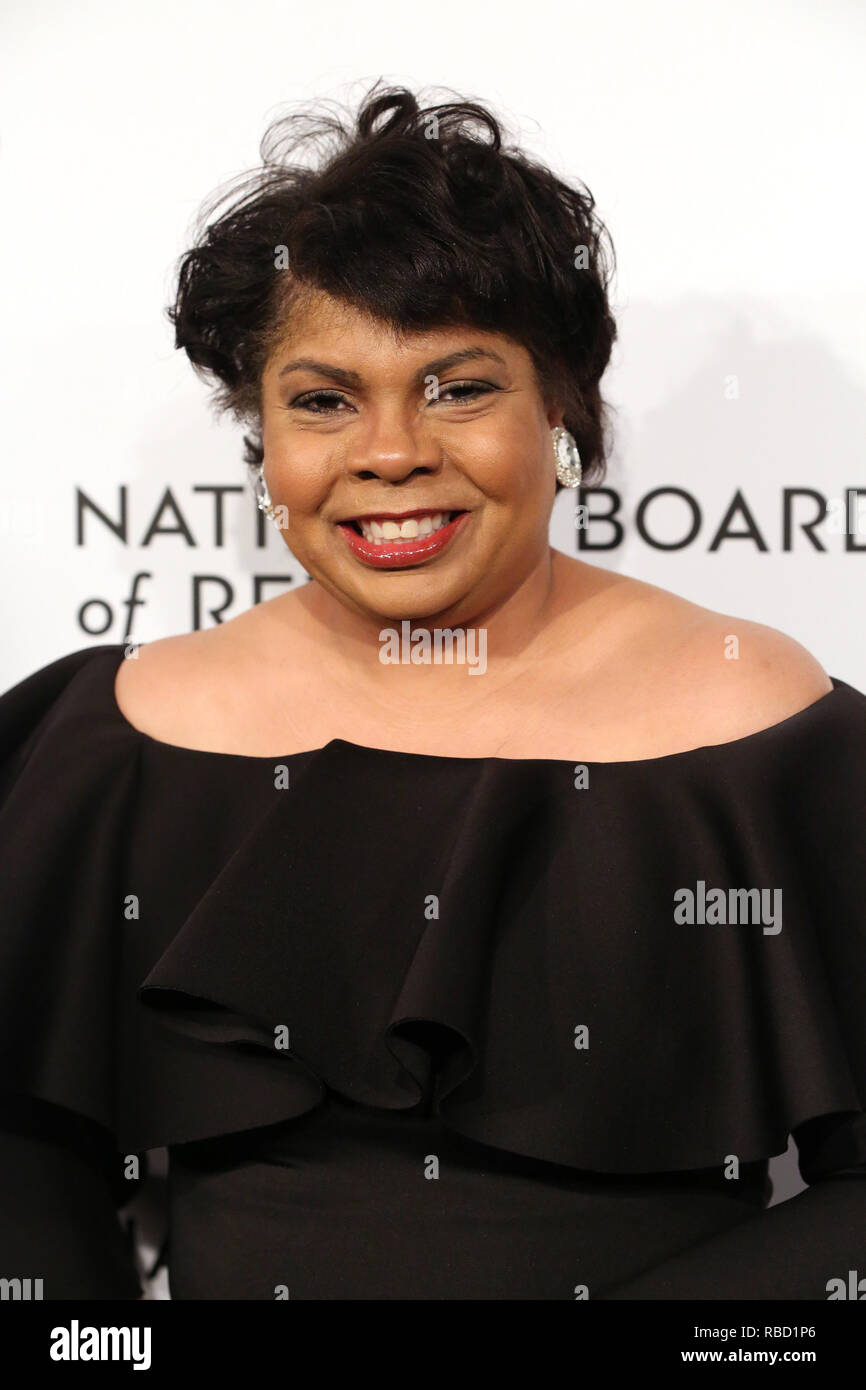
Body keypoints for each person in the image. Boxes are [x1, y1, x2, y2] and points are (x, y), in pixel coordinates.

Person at [1, 82, 864, 1301]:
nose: (391, 452)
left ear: (559, 410)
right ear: (262, 442)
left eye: (458, 388)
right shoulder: (115, 735)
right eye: (322, 400)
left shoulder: (762, 727)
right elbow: (28, 1158)